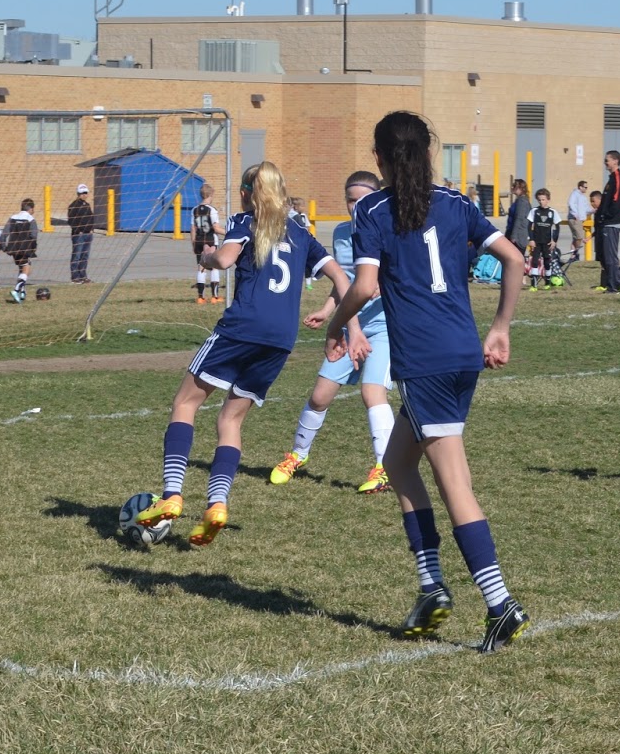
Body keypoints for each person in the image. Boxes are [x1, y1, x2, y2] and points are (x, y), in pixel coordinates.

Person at [324, 110, 531, 653]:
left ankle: (499, 602)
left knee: (454, 483)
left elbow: (365, 286)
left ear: (378, 159)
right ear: (428, 154)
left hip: (426, 361)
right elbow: (515, 259)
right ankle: (430, 585)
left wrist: (340, 323)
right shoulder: (459, 204)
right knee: (397, 465)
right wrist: (501, 328)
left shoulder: (372, 209)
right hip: (461, 353)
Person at [134, 163, 351, 547]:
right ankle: (216, 505)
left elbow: (226, 260)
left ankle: (171, 496)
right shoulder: (302, 231)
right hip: (281, 340)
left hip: (243, 327)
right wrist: (328, 311)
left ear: (250, 192)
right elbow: (344, 280)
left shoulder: (244, 221)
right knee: (231, 420)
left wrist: (206, 258)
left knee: (184, 403)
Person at [270, 171, 393, 494]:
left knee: (371, 392)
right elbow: (345, 284)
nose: (355, 206)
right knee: (320, 395)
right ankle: (298, 455)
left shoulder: (391, 229)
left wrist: (387, 285)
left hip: (383, 328)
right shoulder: (341, 233)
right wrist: (327, 312)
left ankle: (385, 468)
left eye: (362, 199)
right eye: (350, 200)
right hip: (350, 325)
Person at [595, 151, 620, 293]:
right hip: (605, 224)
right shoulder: (611, 179)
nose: (605, 162)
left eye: (607, 160)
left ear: (615, 161)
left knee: (610, 256)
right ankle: (619, 283)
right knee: (604, 256)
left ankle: (613, 286)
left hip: (611, 223)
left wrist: (606, 216)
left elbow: (616, 201)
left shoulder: (619, 178)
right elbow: (605, 201)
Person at [191, 184, 225, 304]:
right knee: (214, 267)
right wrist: (228, 232)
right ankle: (214, 297)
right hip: (210, 241)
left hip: (199, 241)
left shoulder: (194, 210)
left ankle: (201, 297)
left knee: (201, 267)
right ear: (210, 195)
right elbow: (216, 228)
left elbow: (193, 228)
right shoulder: (212, 210)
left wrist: (193, 244)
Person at [1, 198, 38, 302]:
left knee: (21, 269)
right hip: (24, 248)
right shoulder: (30, 219)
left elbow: (4, 234)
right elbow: (33, 235)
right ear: (30, 209)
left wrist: (4, 247)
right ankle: (17, 289)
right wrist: (33, 248)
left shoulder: (12, 218)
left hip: (13, 248)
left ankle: (22, 292)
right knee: (27, 269)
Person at [527, 187, 563, 289]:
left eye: (543, 199)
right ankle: (534, 284)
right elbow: (529, 226)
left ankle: (547, 283)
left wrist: (554, 241)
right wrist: (531, 239)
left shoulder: (552, 212)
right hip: (537, 241)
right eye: (539, 200)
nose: (541, 202)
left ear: (548, 200)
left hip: (547, 241)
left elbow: (557, 227)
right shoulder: (534, 211)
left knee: (547, 261)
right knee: (534, 261)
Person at [68, 183, 95, 284]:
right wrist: (78, 230)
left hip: (88, 234)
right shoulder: (73, 206)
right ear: (78, 194)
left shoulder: (87, 205)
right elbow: (71, 220)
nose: (84, 195)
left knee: (85, 256)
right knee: (77, 255)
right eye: (82, 193)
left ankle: (83, 275)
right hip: (79, 235)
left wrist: (92, 228)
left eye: (85, 193)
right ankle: (75, 277)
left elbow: (91, 218)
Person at [504, 178, 531, 266]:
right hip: (512, 232)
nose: (512, 187)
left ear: (520, 188)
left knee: (515, 262)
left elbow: (519, 219)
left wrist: (513, 236)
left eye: (514, 186)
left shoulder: (522, 201)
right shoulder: (519, 200)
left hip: (518, 236)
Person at [566, 180, 591, 262]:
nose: (586, 189)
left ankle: (573, 255)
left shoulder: (583, 197)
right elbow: (571, 203)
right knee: (579, 237)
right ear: (580, 187)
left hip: (580, 219)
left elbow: (586, 208)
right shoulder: (575, 194)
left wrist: (593, 210)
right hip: (575, 219)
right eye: (585, 187)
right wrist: (575, 214)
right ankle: (575, 254)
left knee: (576, 238)